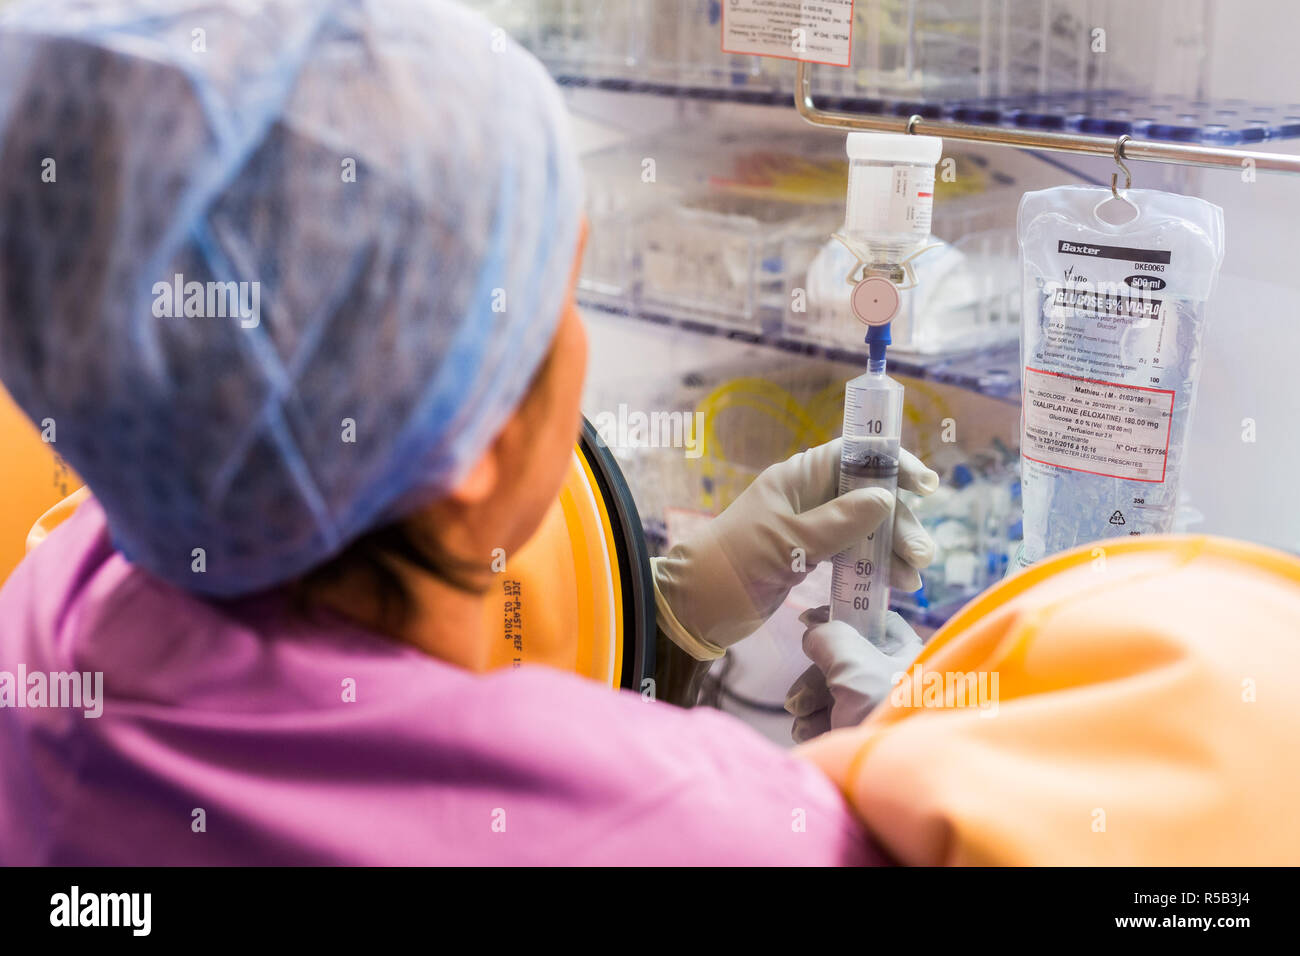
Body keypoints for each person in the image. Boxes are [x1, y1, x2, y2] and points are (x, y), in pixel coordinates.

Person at [4, 0, 1300, 867]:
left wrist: (667, 625)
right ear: (484, 459)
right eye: (553, 306)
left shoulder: (43, 632)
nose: (576, 348)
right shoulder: (716, 836)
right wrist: (916, 758)